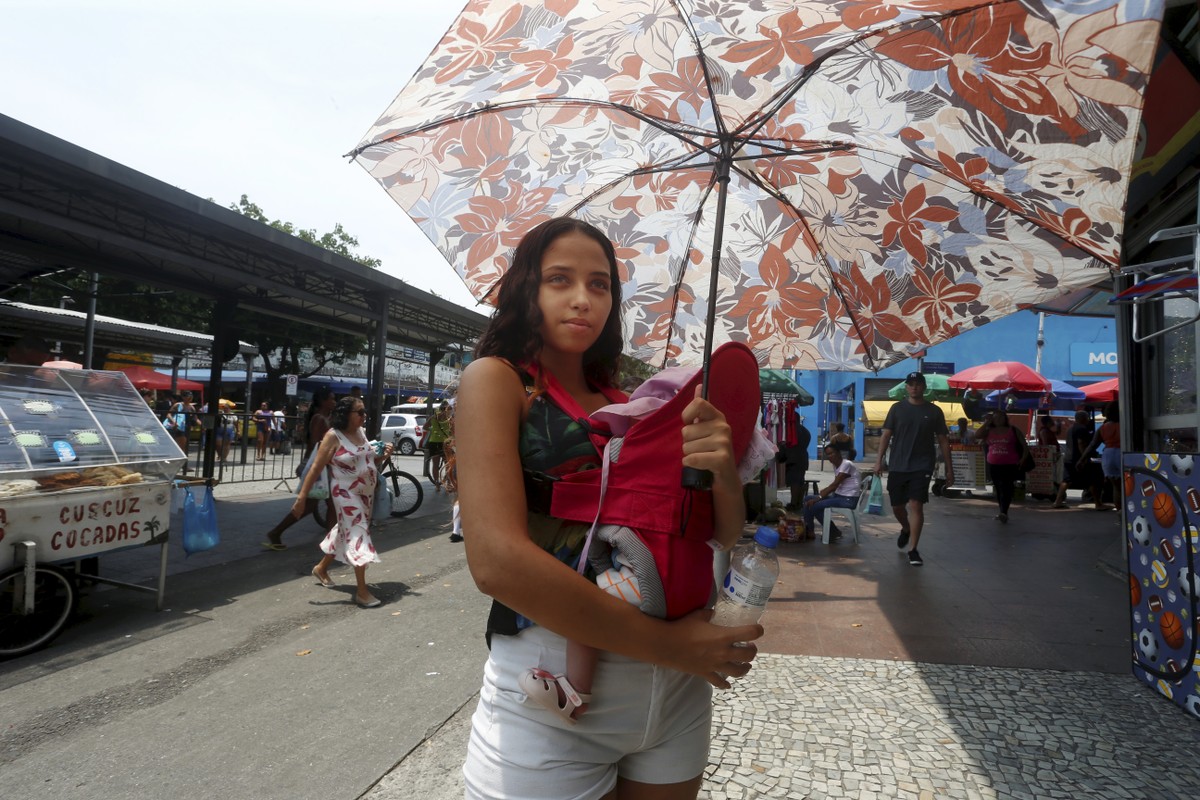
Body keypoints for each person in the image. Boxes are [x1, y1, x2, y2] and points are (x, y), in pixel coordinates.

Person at [453, 217, 761, 799]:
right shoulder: (498, 383)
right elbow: (496, 561)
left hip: (675, 694)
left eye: (599, 285)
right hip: (555, 685)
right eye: (559, 280)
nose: (582, 299)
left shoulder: (634, 404)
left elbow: (719, 533)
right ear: (527, 289)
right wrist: (674, 647)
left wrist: (721, 471)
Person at [293, 395, 392, 608]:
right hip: (345, 494)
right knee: (358, 534)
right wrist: (302, 497)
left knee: (346, 531)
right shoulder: (333, 436)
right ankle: (362, 592)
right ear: (346, 414)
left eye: (365, 412)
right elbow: (316, 468)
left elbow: (366, 459)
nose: (365, 416)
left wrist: (381, 456)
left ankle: (321, 568)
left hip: (366, 494)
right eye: (360, 412)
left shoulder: (361, 432)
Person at [873, 372, 953, 567]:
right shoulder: (897, 409)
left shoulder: (934, 412)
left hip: (922, 465)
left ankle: (913, 549)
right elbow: (885, 436)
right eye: (911, 384)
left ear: (924, 387)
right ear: (906, 387)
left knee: (916, 504)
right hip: (899, 465)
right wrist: (878, 461)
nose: (914, 387)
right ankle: (906, 528)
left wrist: (949, 469)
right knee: (897, 507)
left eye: (918, 384)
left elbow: (943, 440)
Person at [263, 388, 337, 550]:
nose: (334, 402)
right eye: (331, 399)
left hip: (319, 466)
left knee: (318, 506)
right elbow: (319, 445)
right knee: (329, 505)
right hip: (316, 466)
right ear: (323, 401)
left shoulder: (324, 418)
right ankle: (331, 543)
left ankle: (277, 532)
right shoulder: (319, 419)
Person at [802, 444, 862, 539]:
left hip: (848, 499)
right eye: (827, 454)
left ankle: (833, 531)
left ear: (838, 453)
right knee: (807, 499)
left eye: (831, 453)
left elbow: (834, 485)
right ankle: (809, 530)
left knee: (815, 505)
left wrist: (819, 497)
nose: (830, 456)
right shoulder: (836, 465)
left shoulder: (846, 464)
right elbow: (835, 485)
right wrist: (824, 492)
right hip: (839, 496)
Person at [978, 409, 1024, 523]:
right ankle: (1002, 510)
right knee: (998, 487)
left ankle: (1004, 511)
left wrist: (1022, 459)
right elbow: (977, 435)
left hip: (1010, 463)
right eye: (996, 417)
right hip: (994, 464)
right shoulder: (989, 430)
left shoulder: (1013, 430)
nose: (998, 420)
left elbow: (1024, 445)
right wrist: (987, 423)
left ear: (1005, 418)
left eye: (1001, 417)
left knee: (1007, 486)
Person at [1077, 401, 1121, 511]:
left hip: (1108, 455)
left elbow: (1092, 445)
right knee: (1126, 486)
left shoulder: (1103, 428)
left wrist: (1082, 459)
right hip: (1122, 454)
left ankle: (1120, 513)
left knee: (1116, 487)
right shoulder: (1126, 425)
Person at [1056, 410, 1103, 509]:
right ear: (1082, 419)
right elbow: (1081, 443)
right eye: (1087, 418)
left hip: (1068, 458)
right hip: (1078, 459)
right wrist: (1083, 458)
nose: (1089, 420)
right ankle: (1098, 504)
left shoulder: (1070, 428)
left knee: (1066, 481)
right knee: (1092, 480)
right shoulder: (1081, 429)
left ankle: (1057, 502)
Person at [776, 420, 812, 511]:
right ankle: (799, 503)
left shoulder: (790, 430)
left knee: (794, 482)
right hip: (803, 459)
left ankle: (793, 504)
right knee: (800, 480)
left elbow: (785, 445)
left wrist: (780, 456)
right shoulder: (805, 431)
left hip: (792, 459)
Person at [165, 391, 198, 474]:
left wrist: (202, 425)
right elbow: (168, 414)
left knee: (183, 448)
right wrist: (173, 422)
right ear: (183, 397)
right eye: (188, 396)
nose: (190, 398)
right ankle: (175, 465)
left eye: (191, 396)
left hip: (183, 429)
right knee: (174, 447)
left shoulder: (192, 408)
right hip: (173, 428)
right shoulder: (178, 405)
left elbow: (195, 418)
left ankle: (183, 466)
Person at [425, 400, 451, 491]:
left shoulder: (433, 417)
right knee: (448, 464)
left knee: (435, 465)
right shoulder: (448, 418)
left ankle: (437, 485)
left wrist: (433, 430)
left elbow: (425, 427)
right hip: (445, 443)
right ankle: (448, 483)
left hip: (434, 442)